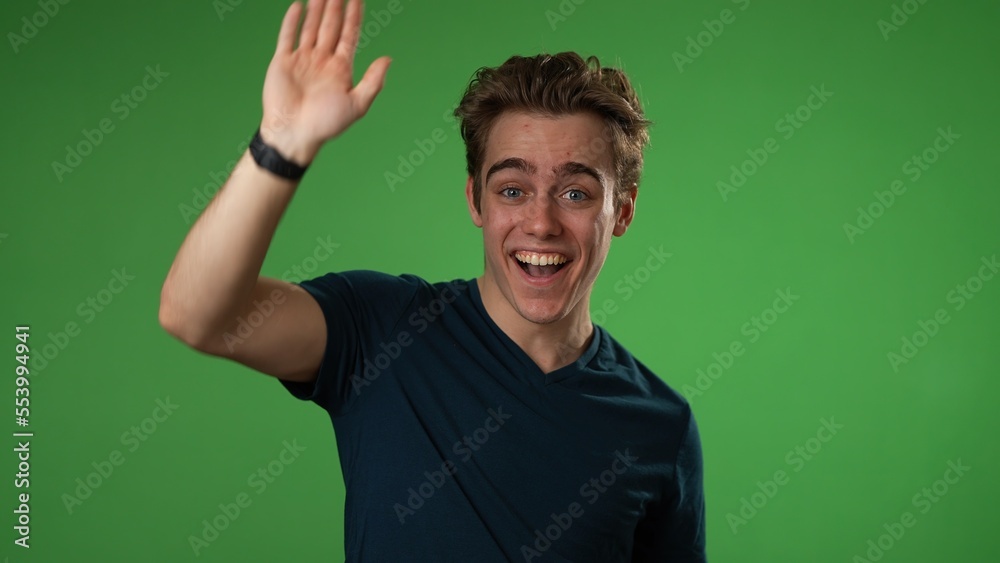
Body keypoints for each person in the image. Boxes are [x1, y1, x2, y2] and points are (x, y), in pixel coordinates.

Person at [158, 0, 706, 560]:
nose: (540, 223)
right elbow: (197, 315)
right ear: (476, 200)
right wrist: (280, 142)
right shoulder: (379, 328)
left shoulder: (661, 426)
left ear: (623, 212)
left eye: (576, 194)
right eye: (512, 189)